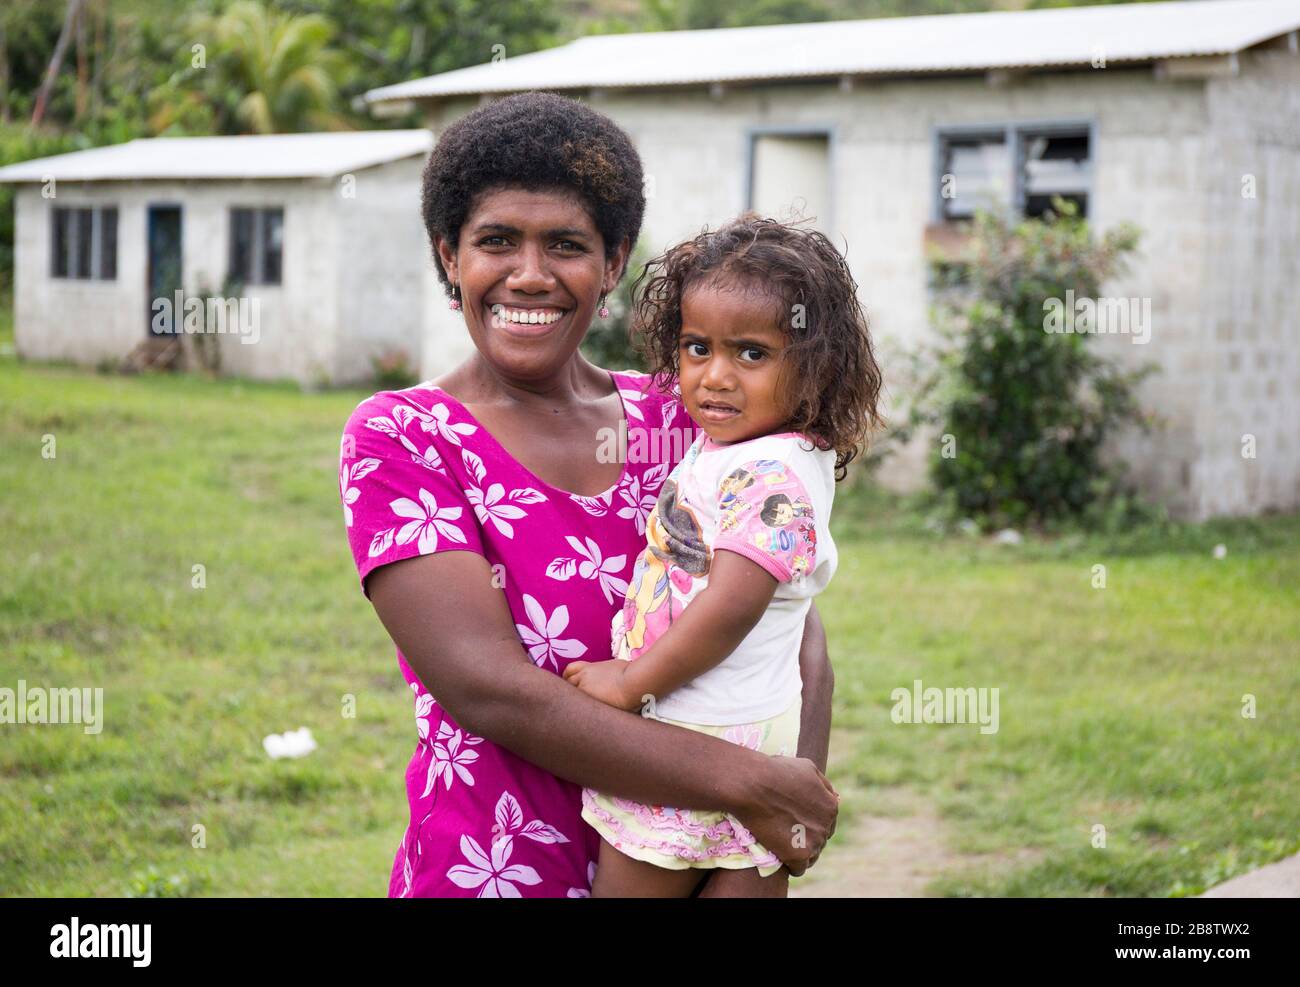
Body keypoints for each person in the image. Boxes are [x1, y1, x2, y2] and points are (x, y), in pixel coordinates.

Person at [338, 91, 839, 898]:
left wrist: (783, 806)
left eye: (566, 244)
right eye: (495, 241)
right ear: (448, 255)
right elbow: (490, 690)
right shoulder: (405, 437)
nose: (529, 275)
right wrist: (750, 786)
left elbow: (790, 627)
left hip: (692, 867)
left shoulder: (679, 419)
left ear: (612, 262)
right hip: (494, 873)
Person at [564, 214, 883, 896]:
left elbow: (733, 602)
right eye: (697, 346)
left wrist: (628, 682)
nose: (715, 376)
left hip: (694, 737)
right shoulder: (758, 450)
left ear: (817, 366)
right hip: (743, 738)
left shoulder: (771, 475)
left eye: (751, 353)